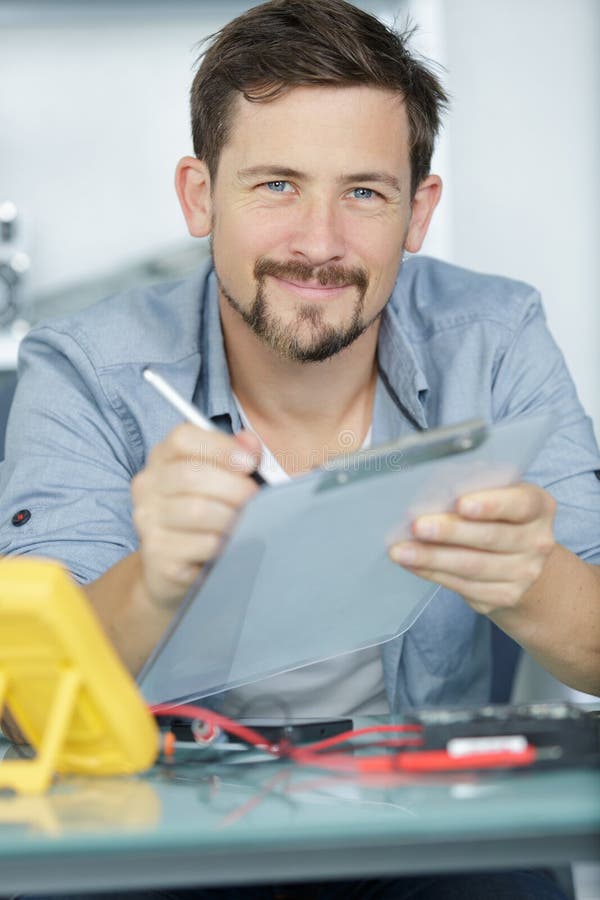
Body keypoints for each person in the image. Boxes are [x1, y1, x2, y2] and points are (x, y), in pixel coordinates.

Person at [1, 0, 598, 897]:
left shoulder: (495, 334)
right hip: (164, 840)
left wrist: (533, 579)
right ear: (200, 195)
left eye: (364, 192)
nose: (320, 244)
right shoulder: (85, 367)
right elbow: (22, 712)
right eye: (276, 183)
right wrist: (155, 579)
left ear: (419, 209)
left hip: (436, 836)